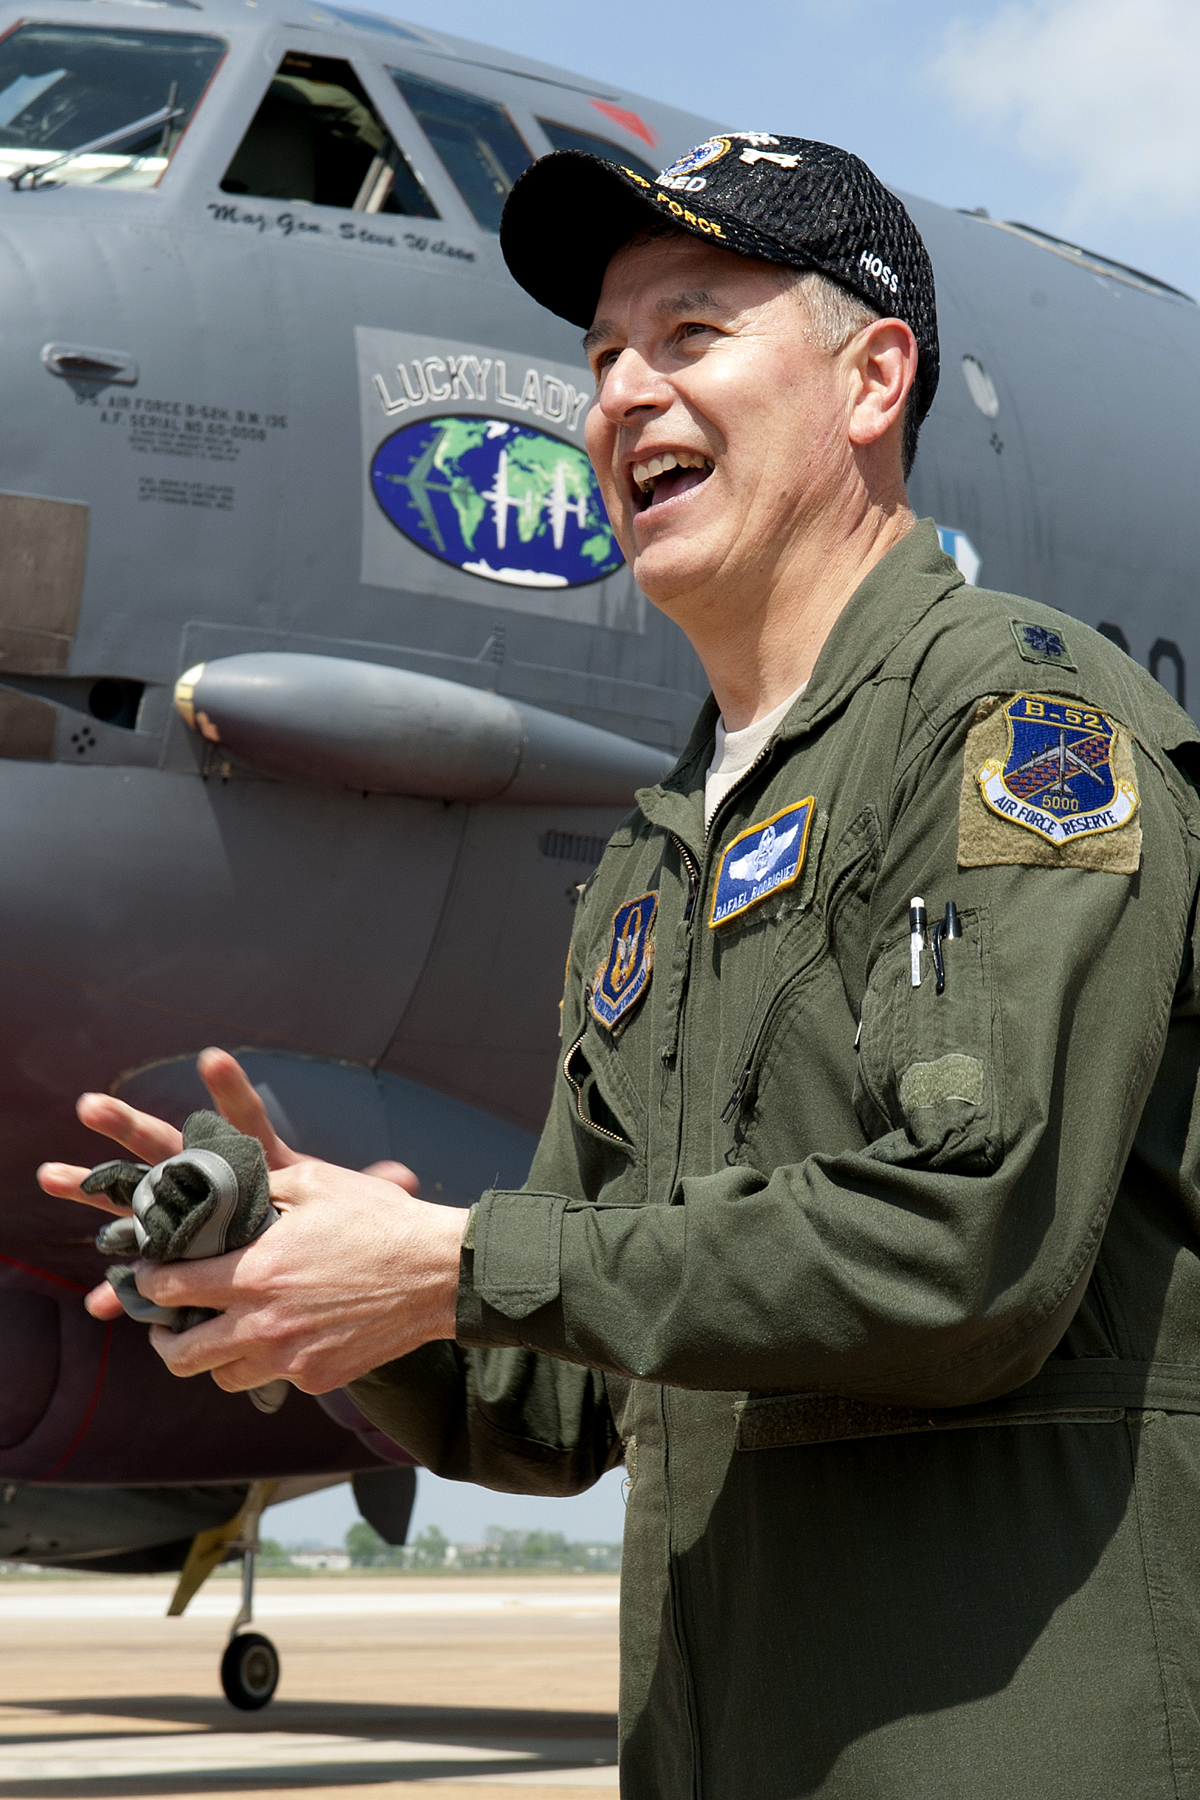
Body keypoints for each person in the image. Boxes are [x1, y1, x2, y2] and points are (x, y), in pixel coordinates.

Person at [41, 136, 1200, 1797]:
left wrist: (451, 1264)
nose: (620, 396)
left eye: (692, 335)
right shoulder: (666, 856)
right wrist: (312, 1282)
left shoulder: (1016, 731)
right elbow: (567, 1392)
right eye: (598, 357)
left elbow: (967, 1252)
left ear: (875, 378)